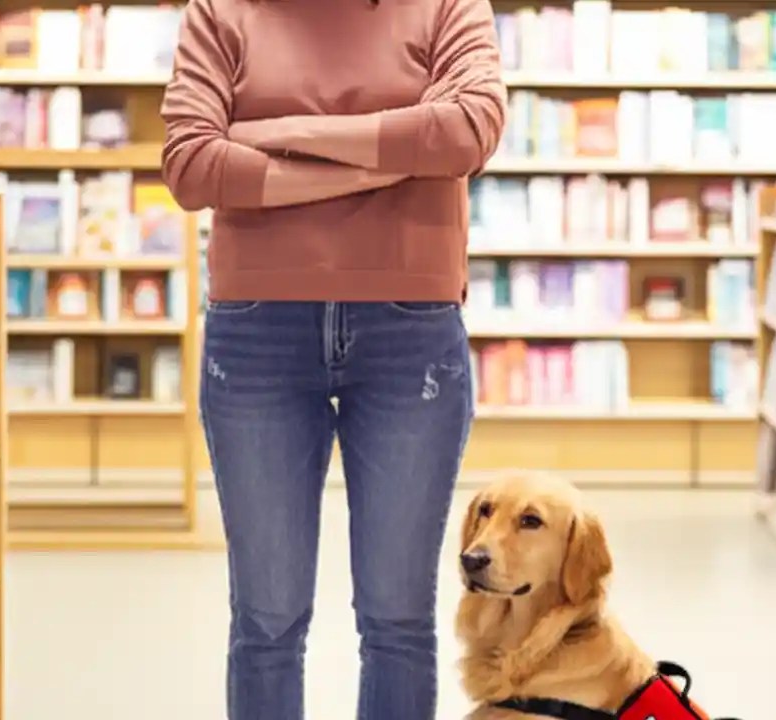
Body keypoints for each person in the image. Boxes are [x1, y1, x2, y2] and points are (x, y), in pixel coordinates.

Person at [159, 0, 506, 714]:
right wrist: (389, 161)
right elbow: (192, 165)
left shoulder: (446, 6)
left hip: (410, 330)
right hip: (257, 334)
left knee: (398, 617)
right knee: (266, 617)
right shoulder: (221, 12)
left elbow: (469, 129)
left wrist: (281, 139)